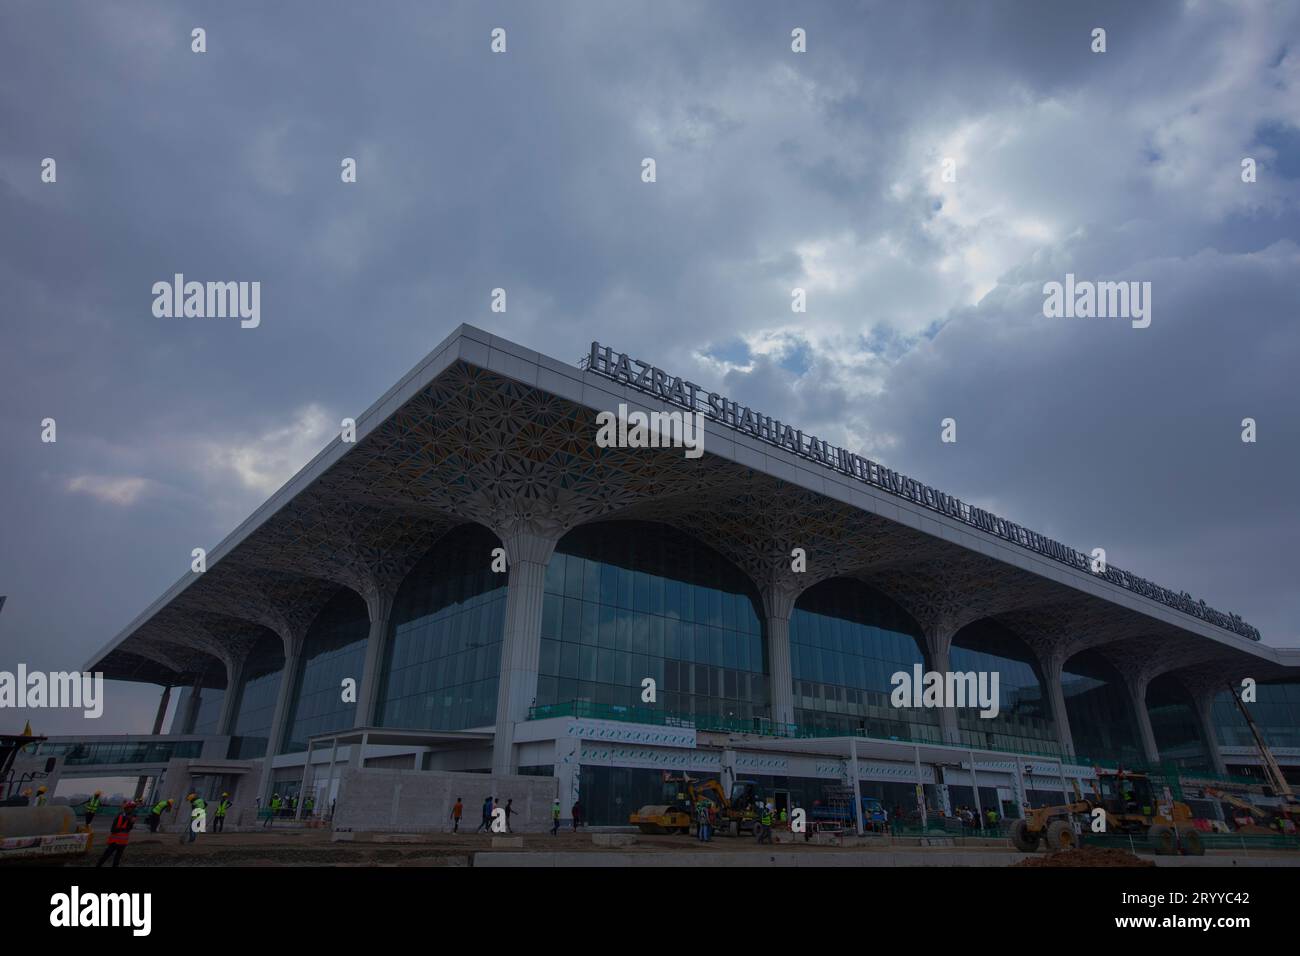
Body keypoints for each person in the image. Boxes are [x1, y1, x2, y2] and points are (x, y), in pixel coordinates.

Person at [96, 801, 137, 868]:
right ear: (127, 808)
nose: (132, 809)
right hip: (115, 841)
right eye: (131, 807)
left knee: (114, 858)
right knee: (107, 856)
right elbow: (114, 828)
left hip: (121, 842)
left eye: (133, 808)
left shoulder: (128, 816)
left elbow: (128, 827)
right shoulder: (125, 816)